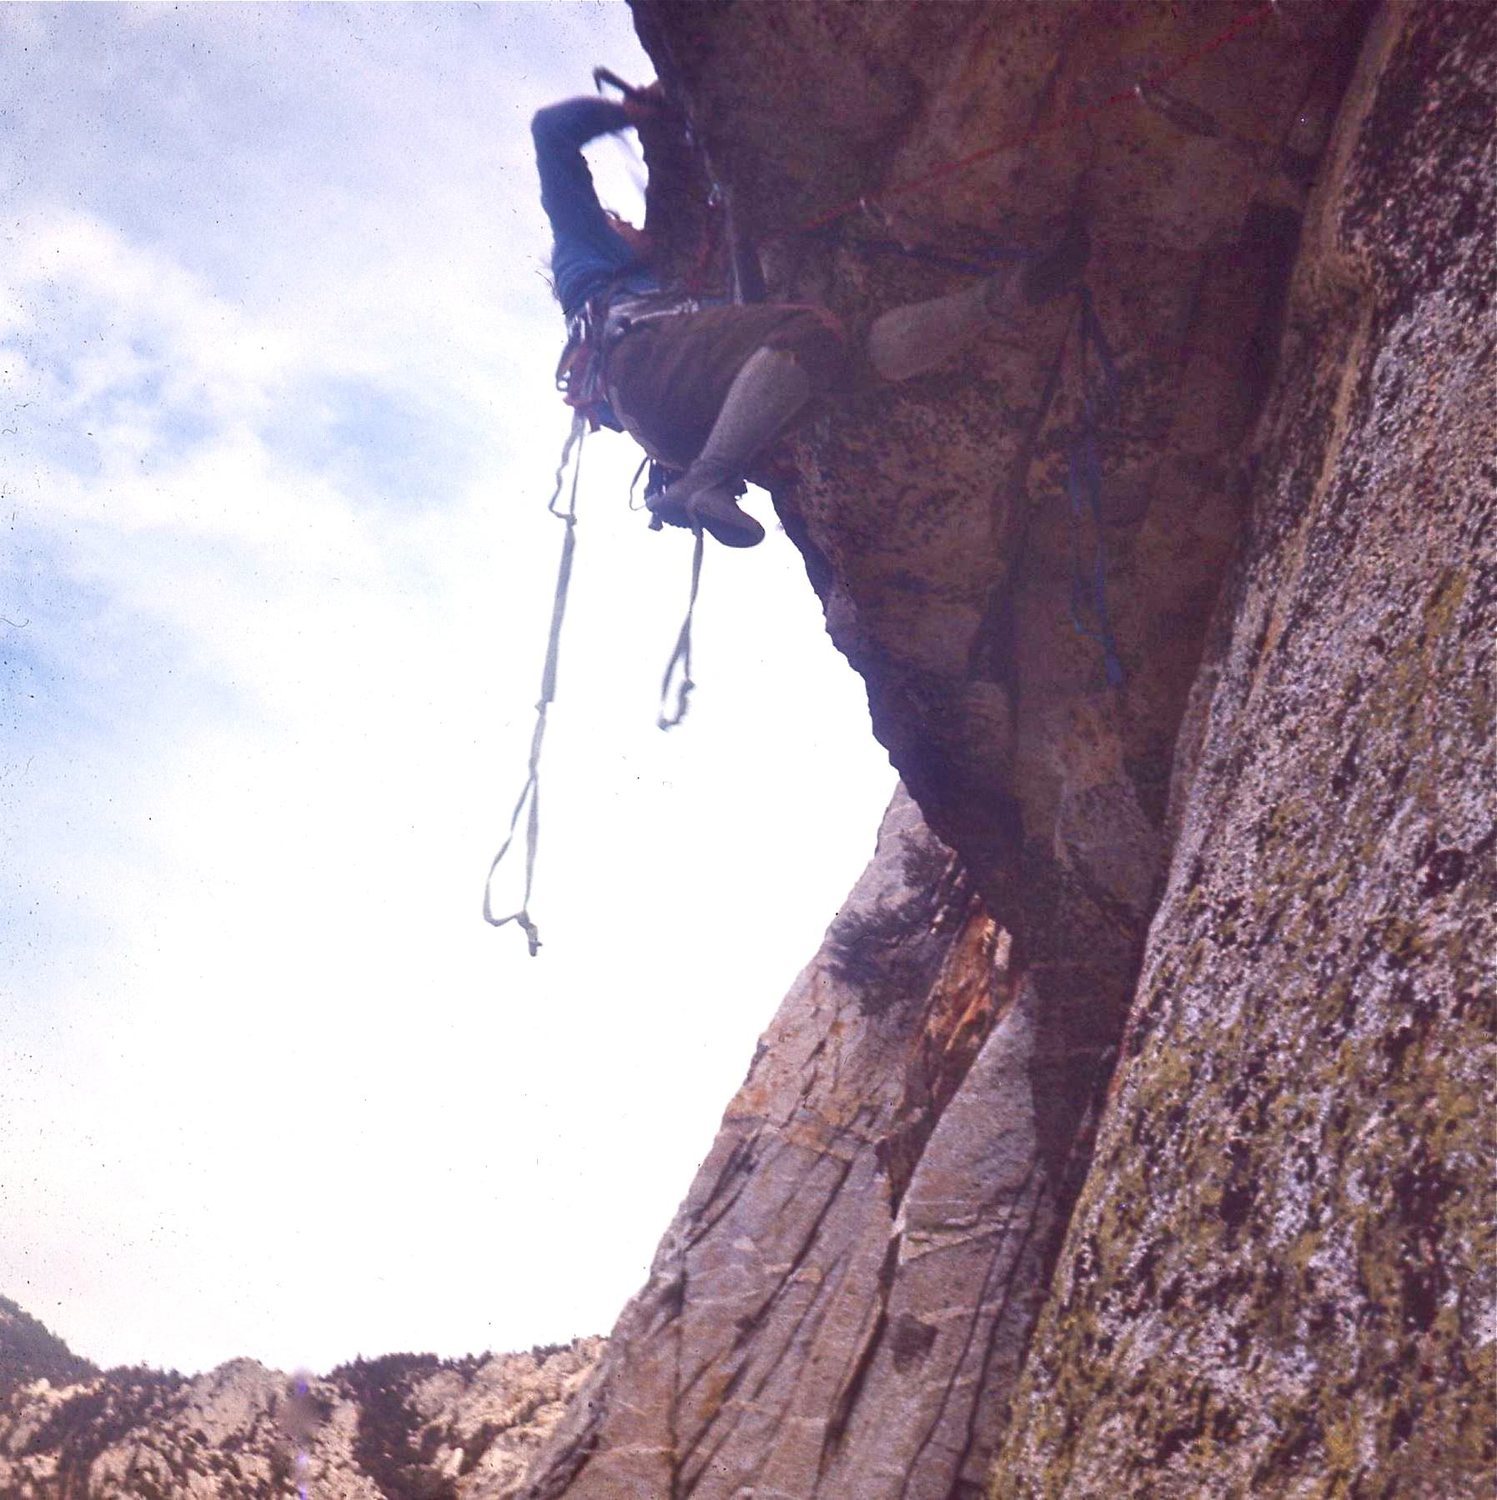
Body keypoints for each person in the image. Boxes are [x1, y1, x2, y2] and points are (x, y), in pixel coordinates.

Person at [531, 88, 1089, 548]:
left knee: (849, 356)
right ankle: (707, 479)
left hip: (673, 428)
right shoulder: (585, 255)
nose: (629, 225)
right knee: (807, 333)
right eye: (620, 221)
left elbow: (754, 329)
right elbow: (550, 131)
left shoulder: (673, 314)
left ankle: (1004, 296)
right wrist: (632, 115)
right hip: (650, 381)